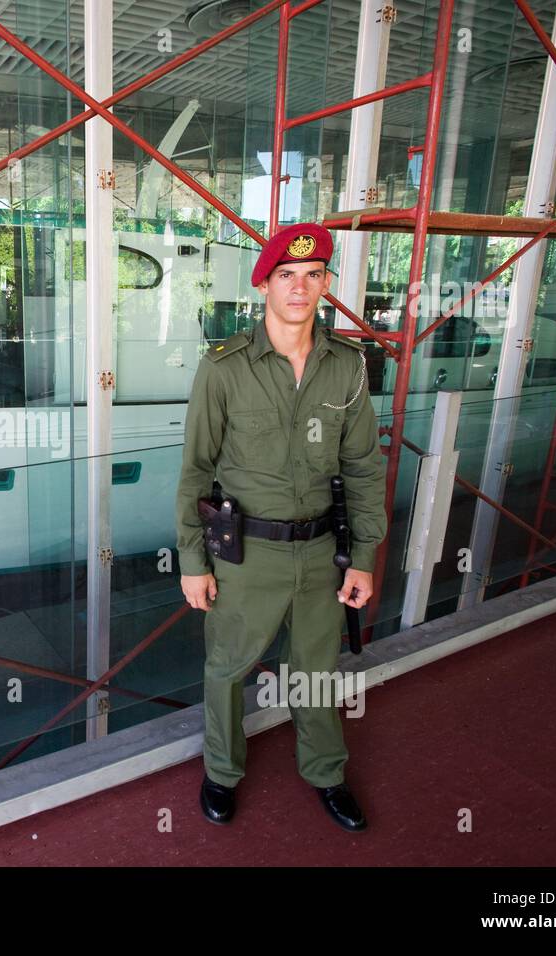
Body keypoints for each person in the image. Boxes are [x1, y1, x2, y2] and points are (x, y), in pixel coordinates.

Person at [174, 222, 388, 831]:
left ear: (325, 283)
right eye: (287, 276)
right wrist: (193, 561)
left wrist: (365, 555)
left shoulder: (346, 366)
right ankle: (221, 771)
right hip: (246, 555)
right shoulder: (224, 368)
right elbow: (195, 472)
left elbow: (364, 468)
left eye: (313, 275)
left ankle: (325, 771)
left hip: (321, 552)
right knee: (228, 669)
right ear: (264, 283)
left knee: (317, 672)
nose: (300, 288)